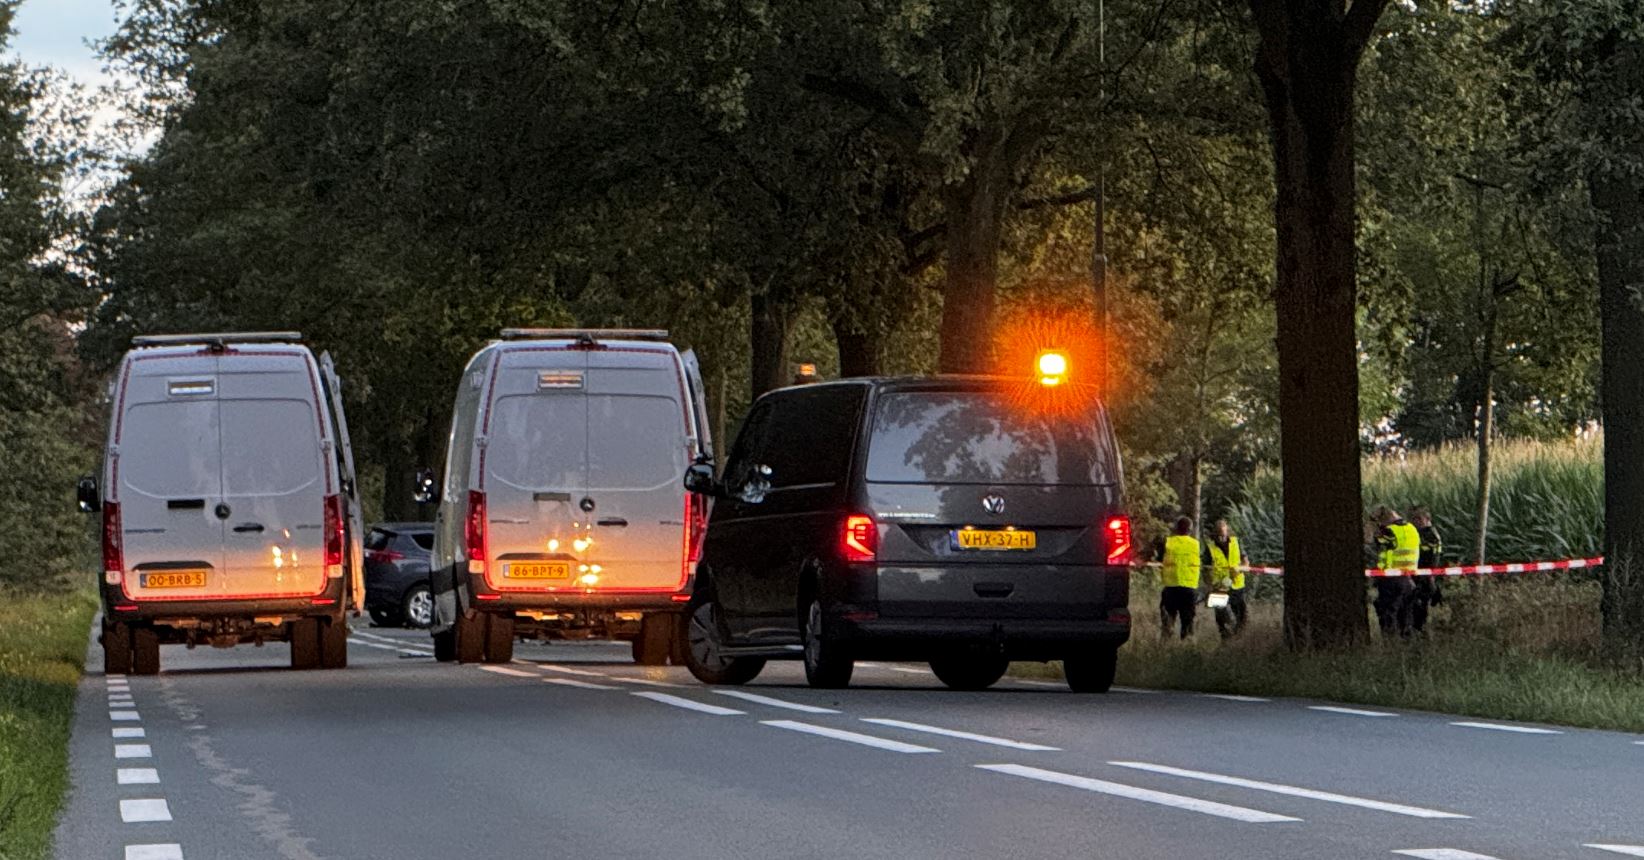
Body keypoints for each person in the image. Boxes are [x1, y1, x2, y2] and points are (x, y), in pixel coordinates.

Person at [1370, 505, 1421, 638]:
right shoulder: (1411, 529)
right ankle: (1407, 645)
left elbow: (1376, 543)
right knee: (1406, 615)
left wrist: (1375, 528)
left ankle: (1390, 645)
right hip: (1409, 579)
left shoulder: (1388, 531)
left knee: (1387, 614)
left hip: (1390, 578)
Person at [1158, 516, 1201, 640]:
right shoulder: (1196, 545)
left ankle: (1164, 648)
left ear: (1176, 528)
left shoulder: (1168, 542)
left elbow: (1159, 559)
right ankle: (1186, 650)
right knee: (1187, 624)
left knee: (1167, 623)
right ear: (1190, 530)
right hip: (1189, 589)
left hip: (1171, 588)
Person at [1206, 519, 1247, 639]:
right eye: (1218, 535)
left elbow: (1246, 562)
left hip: (1236, 585)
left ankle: (1238, 637)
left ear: (1227, 532)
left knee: (1241, 616)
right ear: (1215, 535)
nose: (1221, 538)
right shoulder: (1210, 548)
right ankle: (1225, 639)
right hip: (1219, 587)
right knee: (1221, 617)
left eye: (1223, 535)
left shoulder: (1236, 542)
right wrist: (1209, 585)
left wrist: (1240, 569)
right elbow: (1206, 569)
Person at [1409, 507, 1443, 634]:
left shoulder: (1431, 535)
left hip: (1425, 577)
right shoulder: (1419, 533)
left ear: (1427, 519)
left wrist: (1429, 577)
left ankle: (1421, 633)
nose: (1415, 522)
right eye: (1413, 519)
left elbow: (1433, 558)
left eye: (1419, 519)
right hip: (1417, 575)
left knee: (1420, 608)